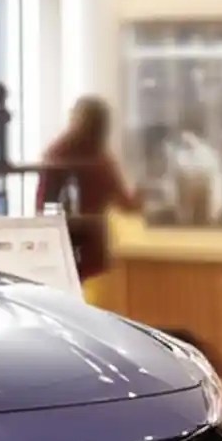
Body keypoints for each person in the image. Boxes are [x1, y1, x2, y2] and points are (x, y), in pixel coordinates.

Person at [34, 95, 139, 305]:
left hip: (64, 244)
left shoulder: (59, 154)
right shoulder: (99, 159)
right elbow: (127, 203)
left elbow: (41, 206)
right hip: (88, 247)